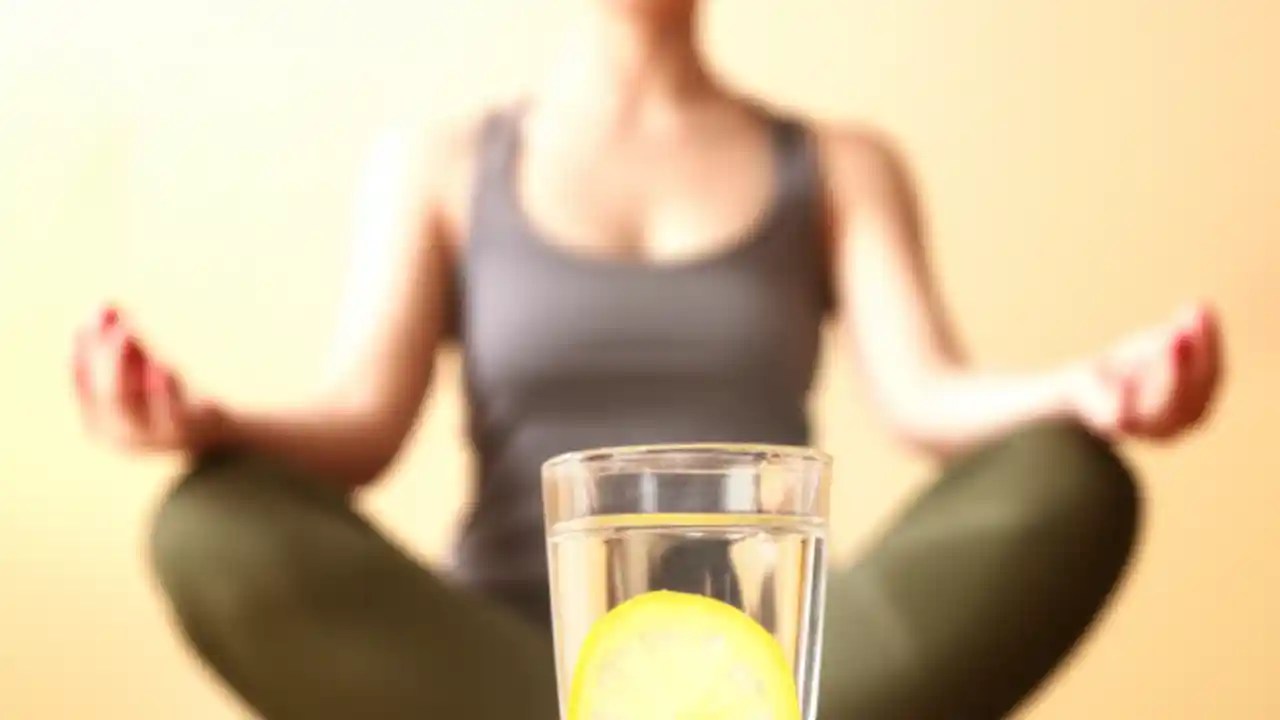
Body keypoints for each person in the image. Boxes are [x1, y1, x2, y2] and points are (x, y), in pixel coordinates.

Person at [73, 1, 1222, 717]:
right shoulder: (434, 164)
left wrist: (1083, 392)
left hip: (764, 677)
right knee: (210, 522)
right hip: (497, 669)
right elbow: (358, 424)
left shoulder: (838, 165)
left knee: (1068, 480)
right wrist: (207, 425)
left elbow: (925, 399)